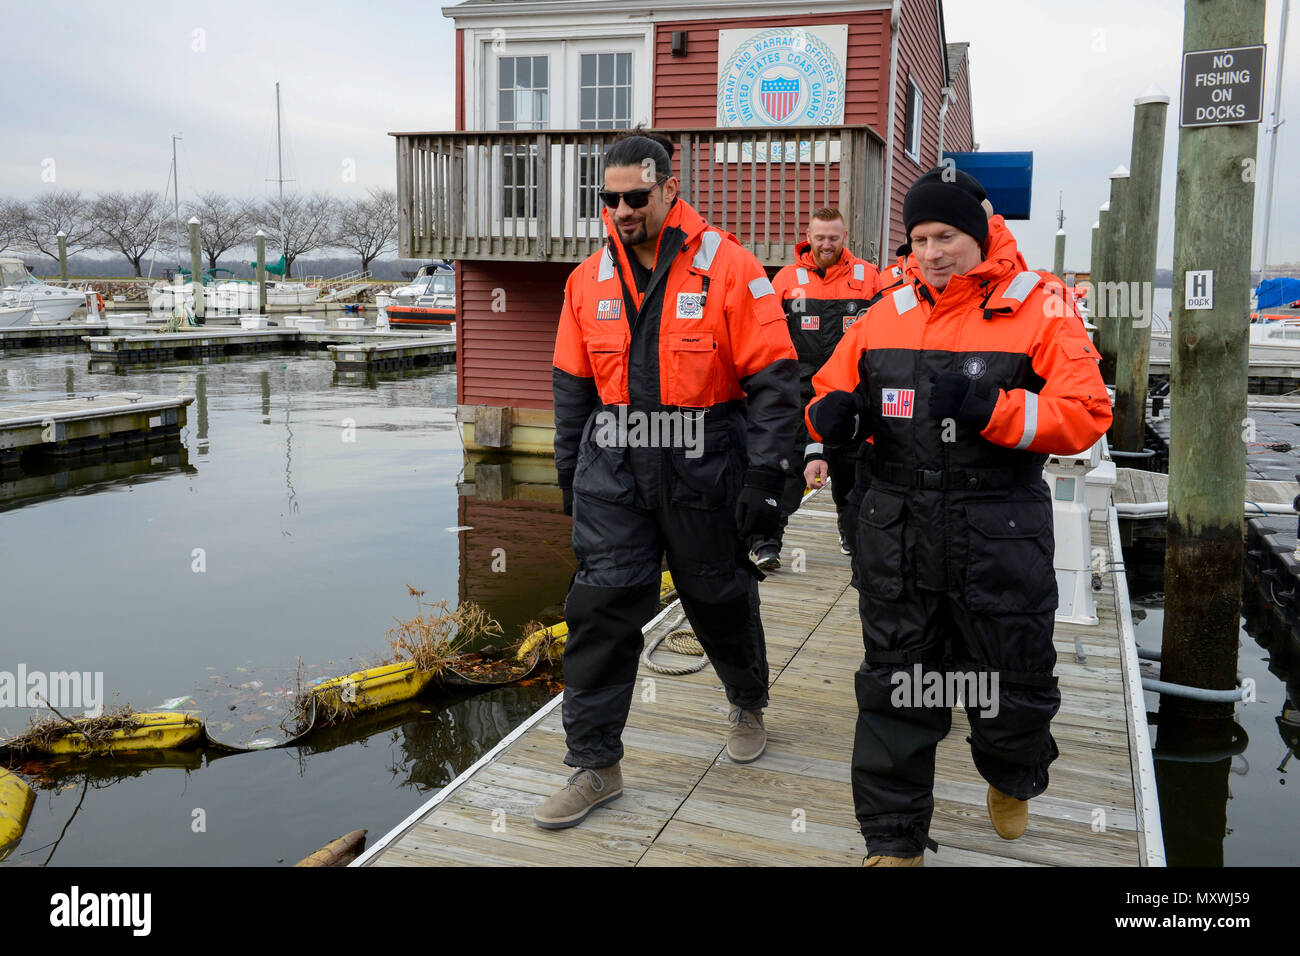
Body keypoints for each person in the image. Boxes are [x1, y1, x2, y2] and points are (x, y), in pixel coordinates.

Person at [806, 166, 1112, 864]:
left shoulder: (1045, 304)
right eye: (919, 238)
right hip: (897, 527)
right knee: (896, 683)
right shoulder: (888, 307)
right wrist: (831, 418)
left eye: (946, 235)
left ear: (978, 233)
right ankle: (894, 841)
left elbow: (1087, 415)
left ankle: (1011, 775)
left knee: (1012, 679)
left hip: (997, 526)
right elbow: (830, 387)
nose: (933, 252)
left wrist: (995, 411)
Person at [539, 129, 800, 829]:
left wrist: (768, 481)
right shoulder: (585, 280)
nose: (623, 210)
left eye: (637, 196)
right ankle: (595, 764)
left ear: (669, 188)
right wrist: (571, 479)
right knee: (601, 610)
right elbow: (571, 389)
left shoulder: (730, 266)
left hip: (703, 461)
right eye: (611, 198)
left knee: (718, 596)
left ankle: (747, 701)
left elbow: (777, 384)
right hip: (615, 467)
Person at [751, 208, 878, 568]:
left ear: (845, 236)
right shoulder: (787, 280)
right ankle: (766, 545)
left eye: (833, 238)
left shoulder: (869, 278)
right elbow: (765, 336)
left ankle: (850, 533)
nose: (826, 245)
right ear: (808, 235)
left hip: (848, 394)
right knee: (784, 471)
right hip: (798, 392)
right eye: (820, 237)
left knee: (851, 476)